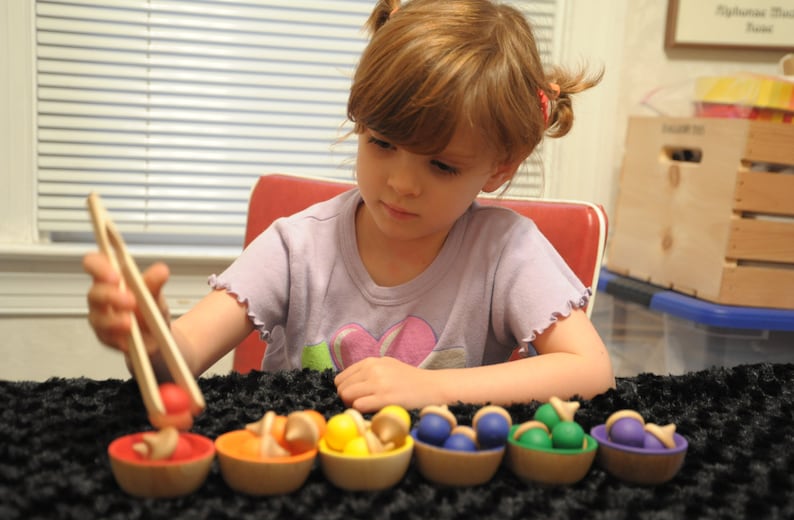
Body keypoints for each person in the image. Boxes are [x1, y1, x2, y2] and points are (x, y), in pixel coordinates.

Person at [83, 0, 615, 413]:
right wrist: (147, 341)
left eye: (441, 166)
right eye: (381, 143)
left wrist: (432, 388)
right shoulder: (296, 245)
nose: (401, 183)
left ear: (500, 166)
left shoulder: (505, 251)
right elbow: (180, 361)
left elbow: (591, 371)